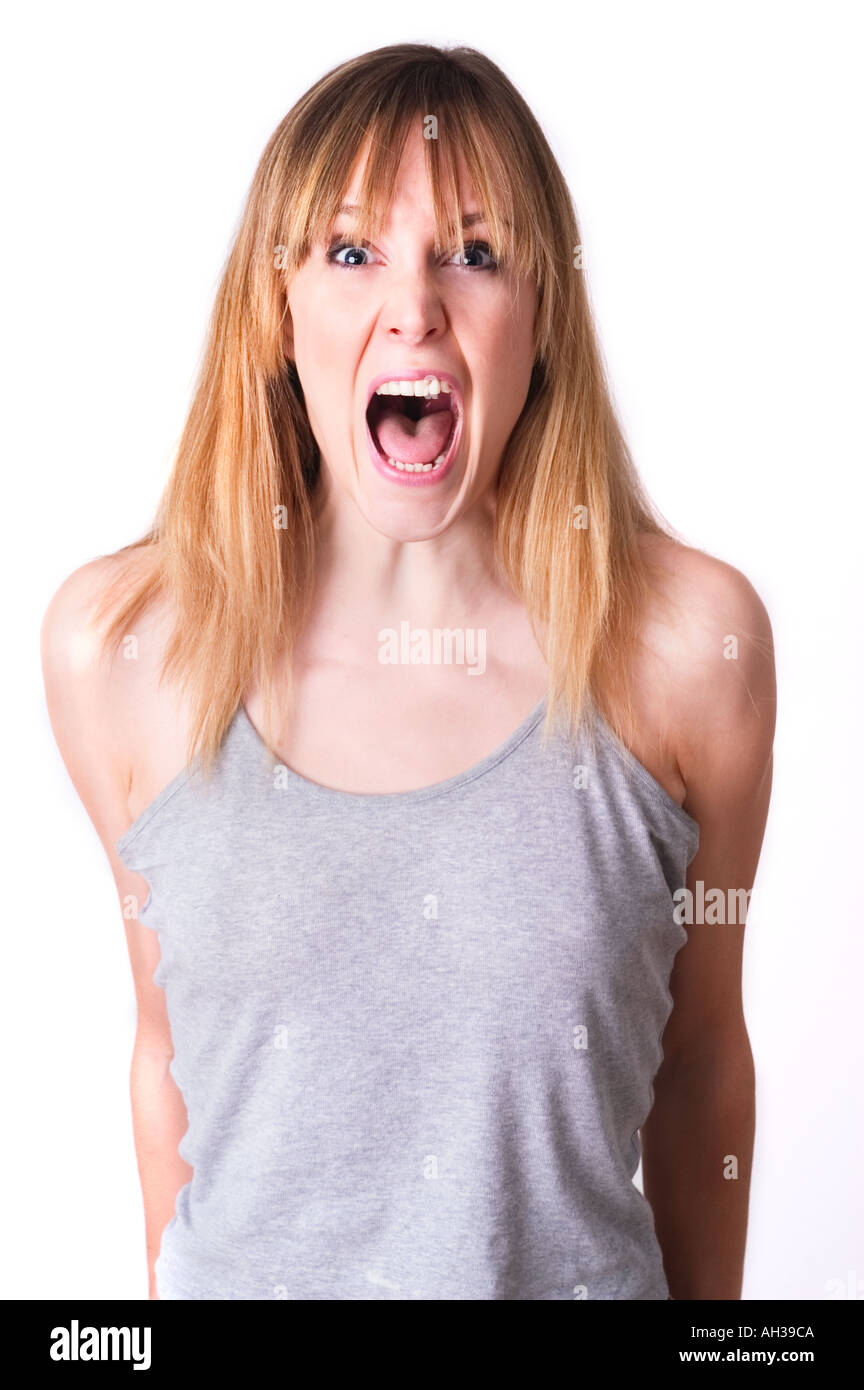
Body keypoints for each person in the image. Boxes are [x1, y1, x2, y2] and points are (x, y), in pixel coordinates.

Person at [41, 43, 775, 1300]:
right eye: (349, 251)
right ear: (278, 312)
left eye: (476, 255)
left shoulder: (687, 651)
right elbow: (168, 1056)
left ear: (541, 317)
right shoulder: (120, 650)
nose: (416, 304)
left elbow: (702, 1059)